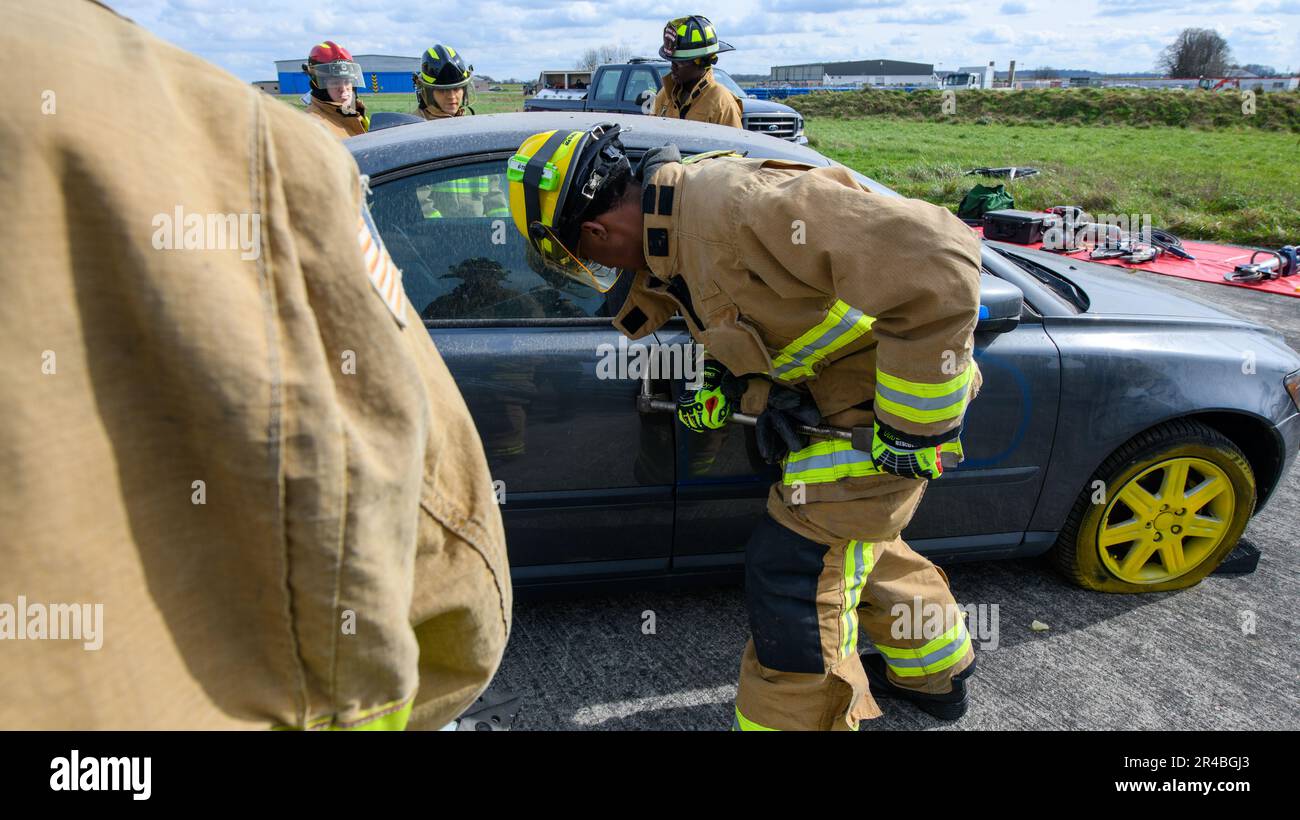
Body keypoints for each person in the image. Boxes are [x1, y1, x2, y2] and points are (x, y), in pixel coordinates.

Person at [1, 0, 510, 730]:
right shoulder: (273, 144)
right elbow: (452, 568)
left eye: (347, 74)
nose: (341, 85)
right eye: (330, 75)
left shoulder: (332, 133)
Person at [506, 123, 984, 730]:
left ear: (597, 231)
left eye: (581, 255)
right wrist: (729, 382)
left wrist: (914, 431)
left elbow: (936, 257)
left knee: (796, 574)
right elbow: (764, 317)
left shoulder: (737, 208)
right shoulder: (670, 236)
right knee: (859, 548)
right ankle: (938, 673)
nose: (592, 267)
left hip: (883, 418)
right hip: (827, 408)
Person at [652, 15, 743, 128]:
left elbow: (734, 145)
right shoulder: (665, 95)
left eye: (679, 63)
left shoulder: (722, 103)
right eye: (672, 62)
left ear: (702, 62)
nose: (672, 68)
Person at [302, 40, 370, 138]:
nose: (343, 89)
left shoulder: (354, 114)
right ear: (318, 85)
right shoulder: (312, 125)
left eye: (347, 82)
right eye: (335, 83)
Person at [415, 43, 475, 119]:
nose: (452, 96)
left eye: (456, 88)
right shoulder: (415, 126)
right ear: (426, 93)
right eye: (442, 90)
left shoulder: (467, 122)